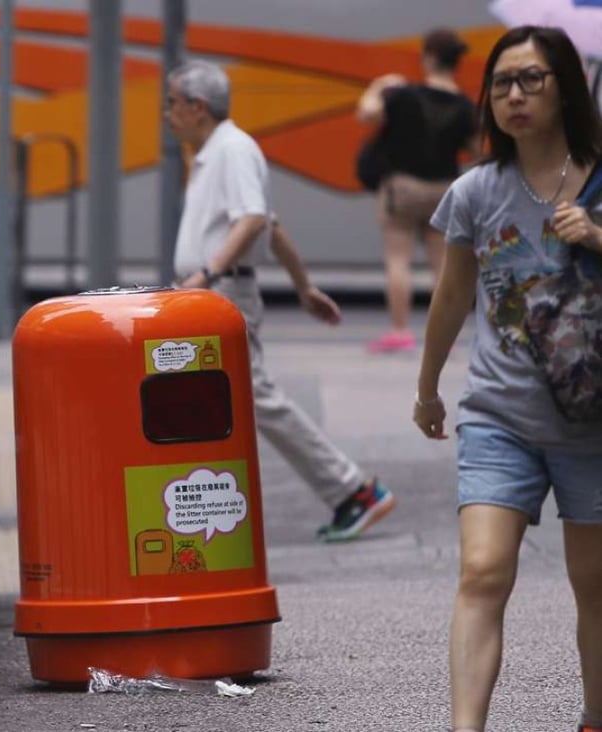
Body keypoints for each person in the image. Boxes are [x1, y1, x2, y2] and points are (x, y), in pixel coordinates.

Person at [415, 26, 602, 732]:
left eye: (531, 80)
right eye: (501, 84)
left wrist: (595, 235)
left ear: (565, 89)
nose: (514, 96)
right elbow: (453, 296)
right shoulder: (474, 193)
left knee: (595, 587)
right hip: (499, 413)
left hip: (593, 420)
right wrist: (428, 386)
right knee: (483, 572)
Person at [165, 59, 395, 542]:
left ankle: (353, 490)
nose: (167, 114)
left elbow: (251, 220)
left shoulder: (231, 150)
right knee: (214, 399)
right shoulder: (218, 152)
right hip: (214, 291)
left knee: (253, 398)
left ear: (197, 107)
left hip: (220, 292)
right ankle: (199, 507)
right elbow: (272, 225)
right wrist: (303, 286)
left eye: (172, 103)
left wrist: (208, 272)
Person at [357, 28, 478, 354]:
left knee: (399, 260)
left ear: (429, 57)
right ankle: (446, 331)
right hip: (444, 190)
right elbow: (478, 151)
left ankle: (399, 331)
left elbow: (366, 114)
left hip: (403, 190)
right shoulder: (465, 105)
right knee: (442, 265)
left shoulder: (404, 94)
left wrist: (379, 85)